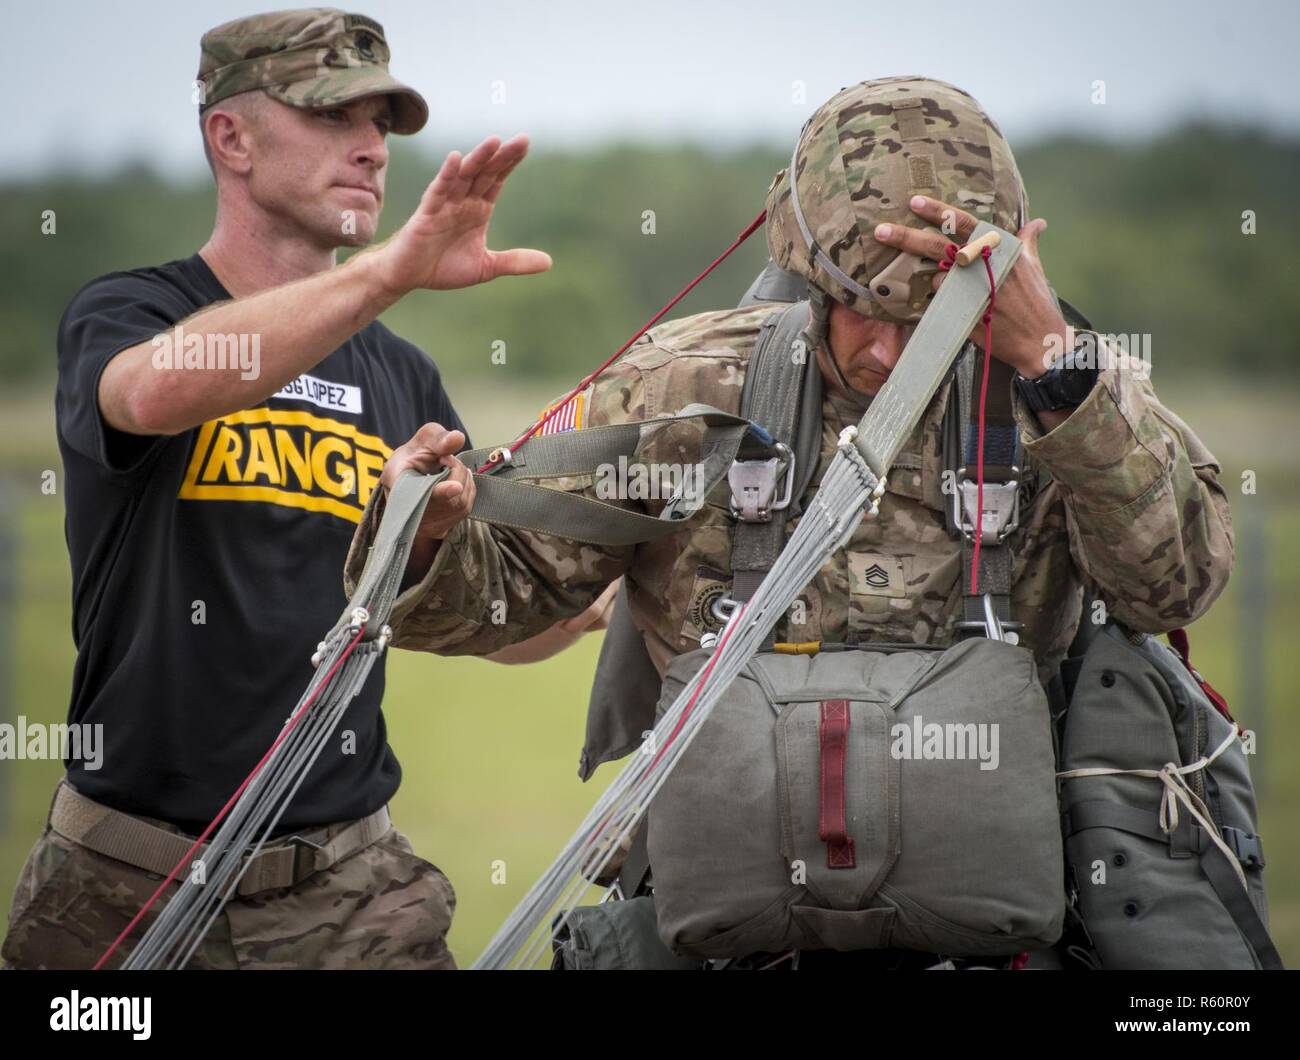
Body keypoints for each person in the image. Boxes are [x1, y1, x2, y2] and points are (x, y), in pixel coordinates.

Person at [347, 76, 1234, 967]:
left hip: (989, 932)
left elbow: (1173, 588)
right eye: (862, 307)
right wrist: (429, 533)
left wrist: (1057, 369)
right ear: (803, 269)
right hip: (724, 934)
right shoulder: (685, 391)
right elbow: (494, 603)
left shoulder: (1073, 397)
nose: (889, 351)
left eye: (929, 315)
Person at [2, 6, 607, 971]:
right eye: (333, 118)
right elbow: (154, 391)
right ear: (229, 136)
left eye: (380, 126)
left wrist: (594, 595)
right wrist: (389, 273)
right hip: (121, 889)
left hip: (354, 896)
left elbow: (496, 620)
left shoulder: (402, 377)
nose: (369, 149)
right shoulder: (131, 313)